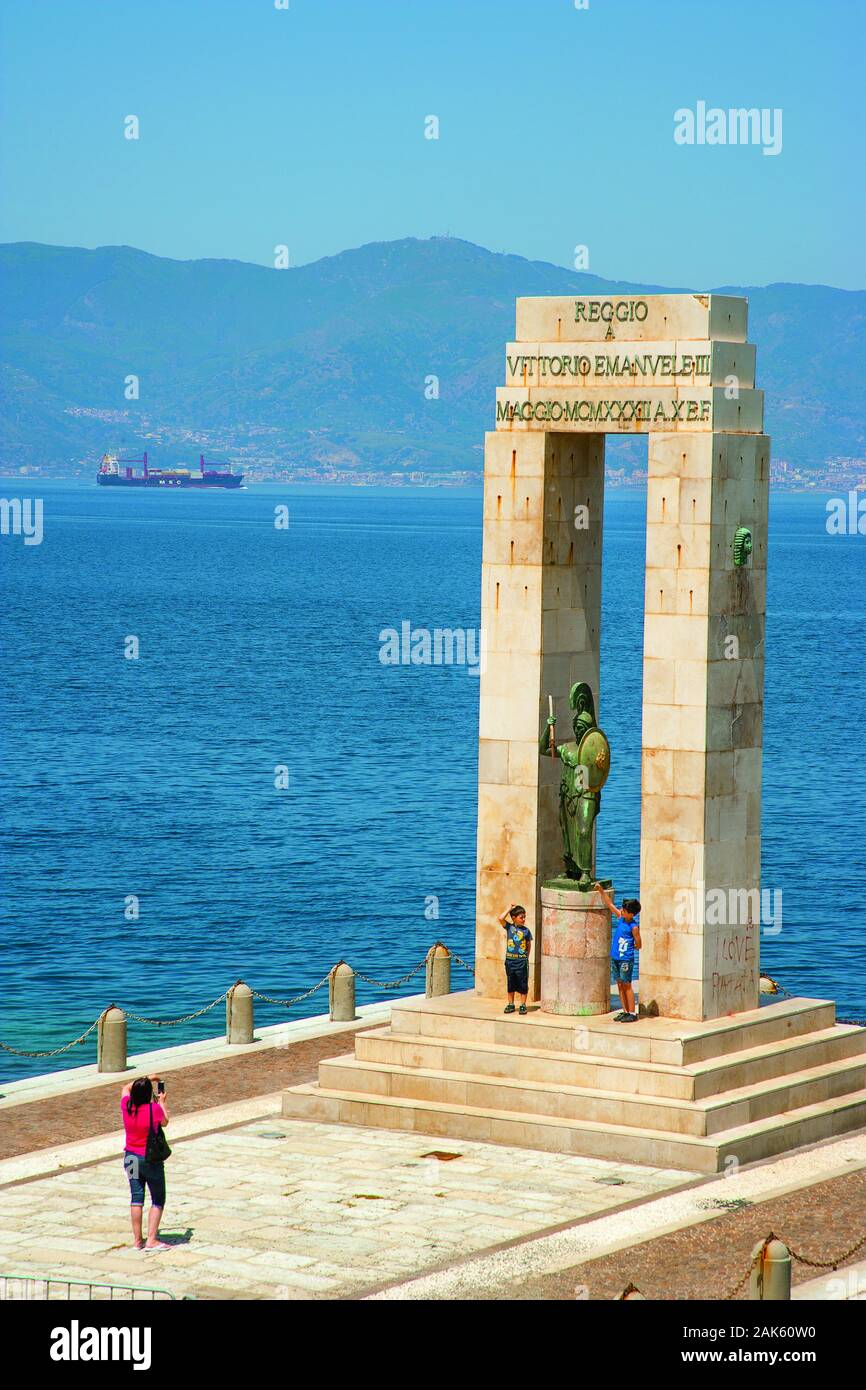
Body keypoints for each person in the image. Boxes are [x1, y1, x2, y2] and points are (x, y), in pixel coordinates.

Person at [121, 1075, 171, 1252]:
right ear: (149, 1093)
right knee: (158, 1198)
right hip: (149, 1159)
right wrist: (162, 1102)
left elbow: (125, 1087)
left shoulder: (126, 1106)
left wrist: (150, 1077)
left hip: (131, 1157)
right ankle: (151, 1240)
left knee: (136, 1197)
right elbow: (165, 1122)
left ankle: (137, 1241)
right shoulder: (154, 1109)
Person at [596, 884, 641, 1023]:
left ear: (631, 914)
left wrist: (630, 948)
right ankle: (625, 1011)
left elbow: (639, 944)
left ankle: (632, 1013)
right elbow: (609, 904)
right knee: (620, 984)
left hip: (626, 960)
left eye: (625, 910)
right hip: (615, 957)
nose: (622, 910)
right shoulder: (621, 917)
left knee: (627, 985)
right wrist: (601, 891)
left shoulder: (634, 927)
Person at [498, 903, 532, 1014]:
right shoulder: (509, 927)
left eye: (524, 917)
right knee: (511, 983)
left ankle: (523, 1005)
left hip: (521, 961)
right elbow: (500, 918)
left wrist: (526, 957)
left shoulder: (526, 931)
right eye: (521, 917)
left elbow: (528, 944)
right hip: (510, 961)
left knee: (523, 983)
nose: (523, 919)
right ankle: (511, 1004)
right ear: (514, 918)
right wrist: (509, 909)